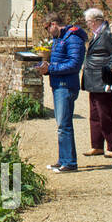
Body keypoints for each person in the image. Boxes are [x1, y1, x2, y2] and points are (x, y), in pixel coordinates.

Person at [37, 12, 86, 172]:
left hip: (66, 85)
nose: (47, 32)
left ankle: (70, 162)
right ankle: (63, 159)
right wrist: (47, 67)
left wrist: (51, 68)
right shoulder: (60, 39)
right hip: (58, 84)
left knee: (64, 125)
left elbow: (74, 64)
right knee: (61, 124)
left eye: (47, 28)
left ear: (54, 24)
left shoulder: (73, 38)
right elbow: (61, 61)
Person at [80, 7, 112, 158]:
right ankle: (96, 145)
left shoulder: (108, 33)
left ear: (96, 21)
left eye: (88, 22)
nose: (87, 24)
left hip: (102, 79)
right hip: (92, 79)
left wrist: (108, 69)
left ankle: (111, 146)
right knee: (94, 114)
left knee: (106, 113)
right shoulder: (96, 34)